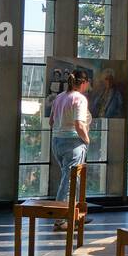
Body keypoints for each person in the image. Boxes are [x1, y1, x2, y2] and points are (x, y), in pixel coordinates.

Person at [49, 68, 92, 230]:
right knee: (68, 182)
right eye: (88, 83)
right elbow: (79, 124)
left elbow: (51, 122)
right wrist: (86, 140)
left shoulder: (59, 97)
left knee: (71, 180)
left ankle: (75, 215)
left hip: (57, 142)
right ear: (84, 83)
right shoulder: (79, 99)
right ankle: (60, 220)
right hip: (73, 143)